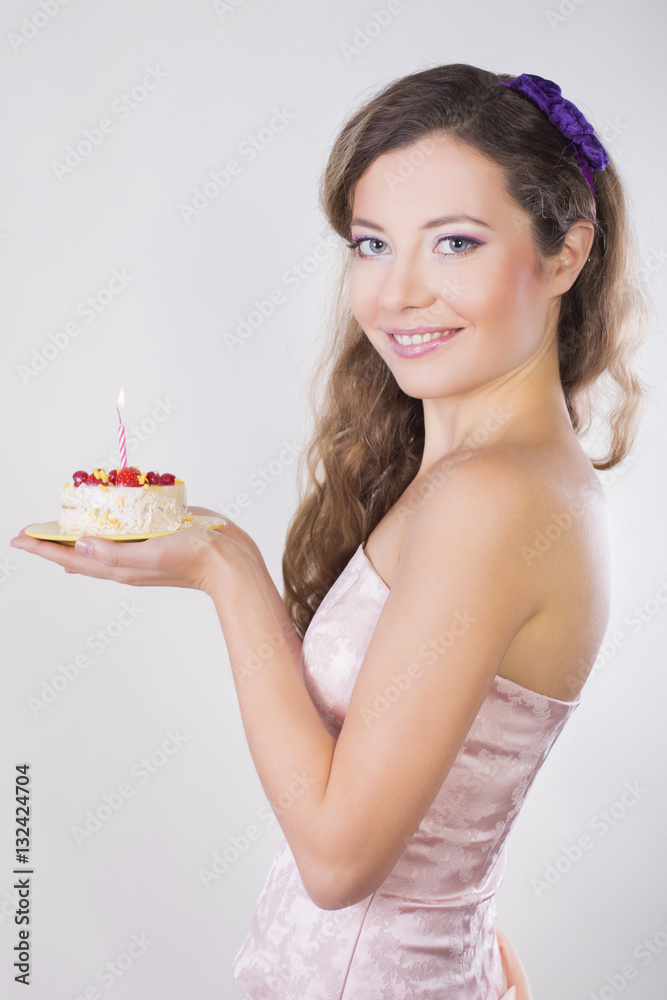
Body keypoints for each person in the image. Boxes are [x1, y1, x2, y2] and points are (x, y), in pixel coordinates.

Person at [10, 64, 651, 999]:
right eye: (371, 244)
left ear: (565, 255)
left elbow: (338, 860)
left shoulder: (493, 498)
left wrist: (225, 568)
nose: (397, 293)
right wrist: (464, 931)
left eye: (455, 242)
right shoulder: (493, 478)